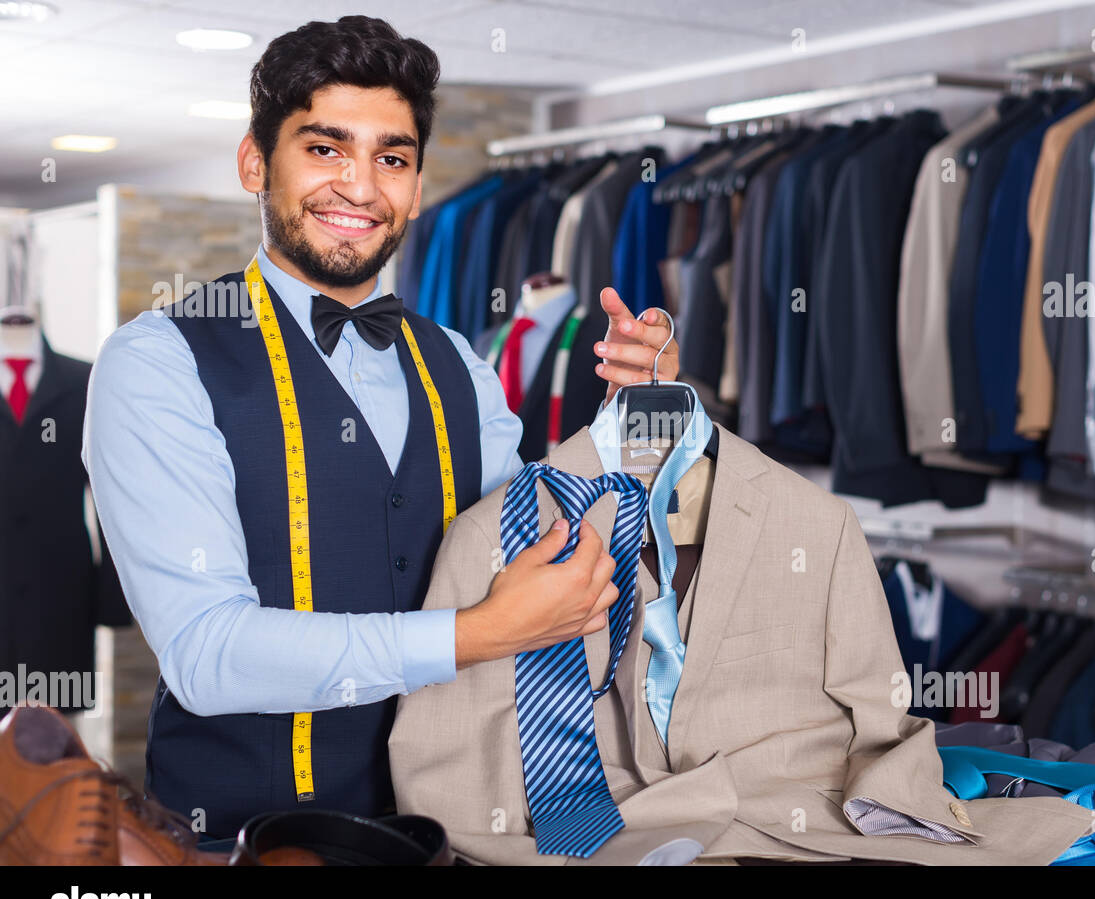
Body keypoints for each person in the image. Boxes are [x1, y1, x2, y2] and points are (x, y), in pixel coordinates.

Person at [82, 14, 680, 840]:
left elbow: (550, 543)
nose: (361, 187)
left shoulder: (459, 366)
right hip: (243, 841)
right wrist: (475, 636)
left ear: (418, 185)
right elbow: (207, 654)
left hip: (460, 829)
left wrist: (642, 419)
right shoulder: (158, 362)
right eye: (324, 149)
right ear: (256, 161)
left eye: (391, 158)